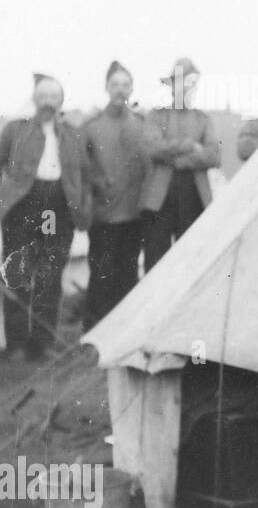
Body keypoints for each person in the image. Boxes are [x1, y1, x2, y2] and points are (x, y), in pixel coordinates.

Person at [0, 74, 90, 359]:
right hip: (23, 208)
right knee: (18, 271)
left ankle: (43, 343)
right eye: (42, 97)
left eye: (53, 97)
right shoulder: (15, 130)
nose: (48, 102)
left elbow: (84, 175)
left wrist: (81, 206)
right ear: (34, 99)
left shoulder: (73, 134)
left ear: (61, 101)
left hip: (55, 210)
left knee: (50, 272)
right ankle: (16, 343)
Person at [81, 61, 151, 329]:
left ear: (132, 88)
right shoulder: (91, 125)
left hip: (134, 213)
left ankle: (125, 328)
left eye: (125, 84)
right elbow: (79, 166)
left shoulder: (143, 124)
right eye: (115, 84)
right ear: (106, 88)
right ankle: (95, 327)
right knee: (100, 271)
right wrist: (98, 182)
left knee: (128, 270)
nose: (120, 90)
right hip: (103, 213)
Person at [140, 58, 221, 270]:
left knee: (192, 263)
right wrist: (190, 145)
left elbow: (213, 155)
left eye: (191, 84)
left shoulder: (203, 119)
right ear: (172, 86)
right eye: (181, 83)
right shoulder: (157, 116)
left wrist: (179, 161)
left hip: (194, 198)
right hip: (161, 200)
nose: (186, 88)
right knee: (156, 263)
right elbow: (152, 147)